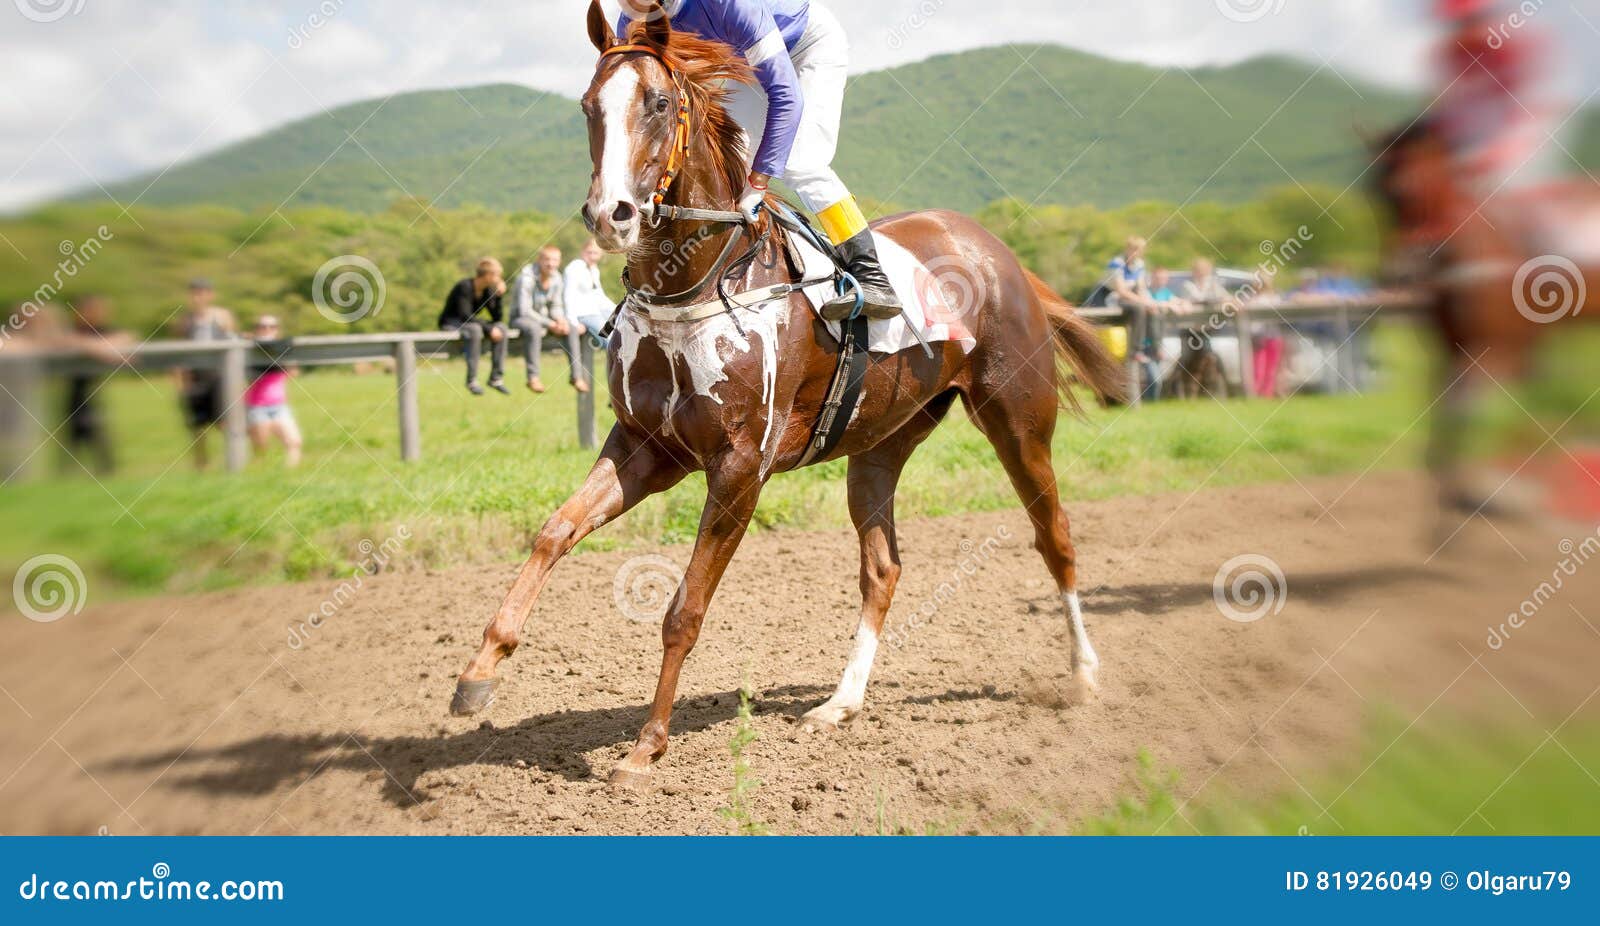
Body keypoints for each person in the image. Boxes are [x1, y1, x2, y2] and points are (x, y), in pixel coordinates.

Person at [614, 0, 901, 320]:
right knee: (726, 161)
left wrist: (759, 179)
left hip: (806, 46)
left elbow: (785, 96)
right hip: (746, 62)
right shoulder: (633, 18)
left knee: (800, 161)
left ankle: (872, 275)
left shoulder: (730, 5)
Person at [60, 295, 130, 475]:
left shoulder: (100, 330)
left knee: (95, 434)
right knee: (72, 438)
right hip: (72, 394)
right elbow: (66, 340)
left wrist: (102, 349)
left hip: (90, 395)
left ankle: (104, 472)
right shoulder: (73, 330)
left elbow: (127, 338)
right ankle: (66, 474)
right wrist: (101, 350)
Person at [173, 278, 237, 470]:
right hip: (194, 378)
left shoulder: (222, 317)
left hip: (218, 376)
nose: (197, 297)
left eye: (202, 293)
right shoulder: (184, 321)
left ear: (210, 295)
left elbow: (232, 346)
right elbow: (178, 353)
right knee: (196, 424)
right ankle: (201, 464)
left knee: (223, 420)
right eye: (194, 293)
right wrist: (180, 382)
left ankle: (233, 459)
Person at [511, 246, 589, 394]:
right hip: (520, 319)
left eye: (555, 260)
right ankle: (533, 378)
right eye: (547, 259)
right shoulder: (526, 278)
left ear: (559, 262)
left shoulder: (557, 278)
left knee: (570, 327)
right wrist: (550, 324)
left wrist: (560, 320)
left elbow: (556, 305)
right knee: (533, 328)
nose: (551, 264)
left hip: (545, 319)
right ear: (539, 260)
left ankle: (576, 377)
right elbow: (524, 310)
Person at [438, 258, 509, 396]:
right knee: (475, 330)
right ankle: (472, 380)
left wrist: (499, 296)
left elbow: (497, 318)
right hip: (452, 322)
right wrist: (488, 329)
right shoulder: (464, 286)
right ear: (488, 275)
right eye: (497, 275)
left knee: (502, 328)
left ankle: (496, 378)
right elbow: (465, 316)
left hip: (468, 323)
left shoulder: (487, 290)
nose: (499, 279)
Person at [243, 315, 303, 468]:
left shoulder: (283, 349)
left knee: (294, 442)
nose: (267, 330)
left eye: (272, 326)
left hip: (279, 406)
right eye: (262, 326)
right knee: (261, 448)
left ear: (277, 330)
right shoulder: (249, 350)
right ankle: (257, 477)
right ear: (256, 329)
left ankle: (291, 476)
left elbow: (294, 373)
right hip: (257, 406)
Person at [563, 239, 614, 389]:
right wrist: (572, 320)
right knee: (611, 342)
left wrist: (618, 310)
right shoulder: (574, 268)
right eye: (589, 252)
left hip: (596, 312)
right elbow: (568, 294)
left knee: (622, 334)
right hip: (584, 314)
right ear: (582, 251)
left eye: (596, 253)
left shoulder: (593, 269)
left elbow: (599, 296)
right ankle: (614, 390)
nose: (592, 256)